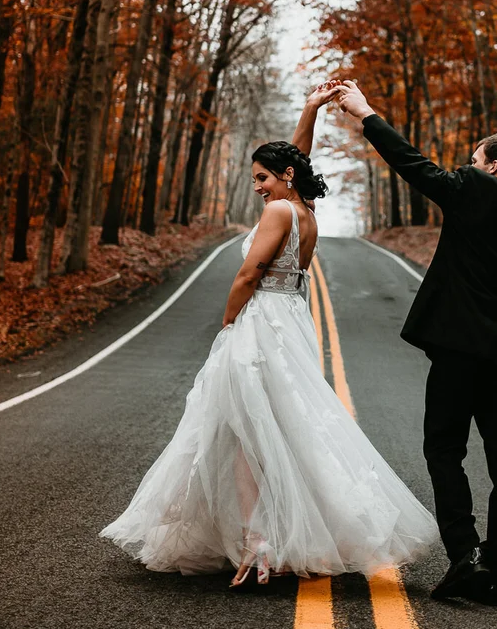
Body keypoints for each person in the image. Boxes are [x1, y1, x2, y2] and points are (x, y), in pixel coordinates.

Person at [100, 86, 438, 587]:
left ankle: (258, 539)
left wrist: (229, 319)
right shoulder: (304, 212)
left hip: (262, 319)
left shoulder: (279, 211)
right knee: (275, 425)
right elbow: (295, 162)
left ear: (282, 178)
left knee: (244, 428)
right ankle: (264, 535)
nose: (257, 186)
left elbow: (249, 272)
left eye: (261, 177)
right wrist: (310, 110)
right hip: (291, 317)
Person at [333, 79, 497, 607]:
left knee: (443, 449)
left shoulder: (471, 189)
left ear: (494, 168)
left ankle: (466, 553)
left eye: (475, 158)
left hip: (457, 353)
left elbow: (413, 164)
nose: (468, 164)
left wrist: (366, 113)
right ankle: (493, 567)